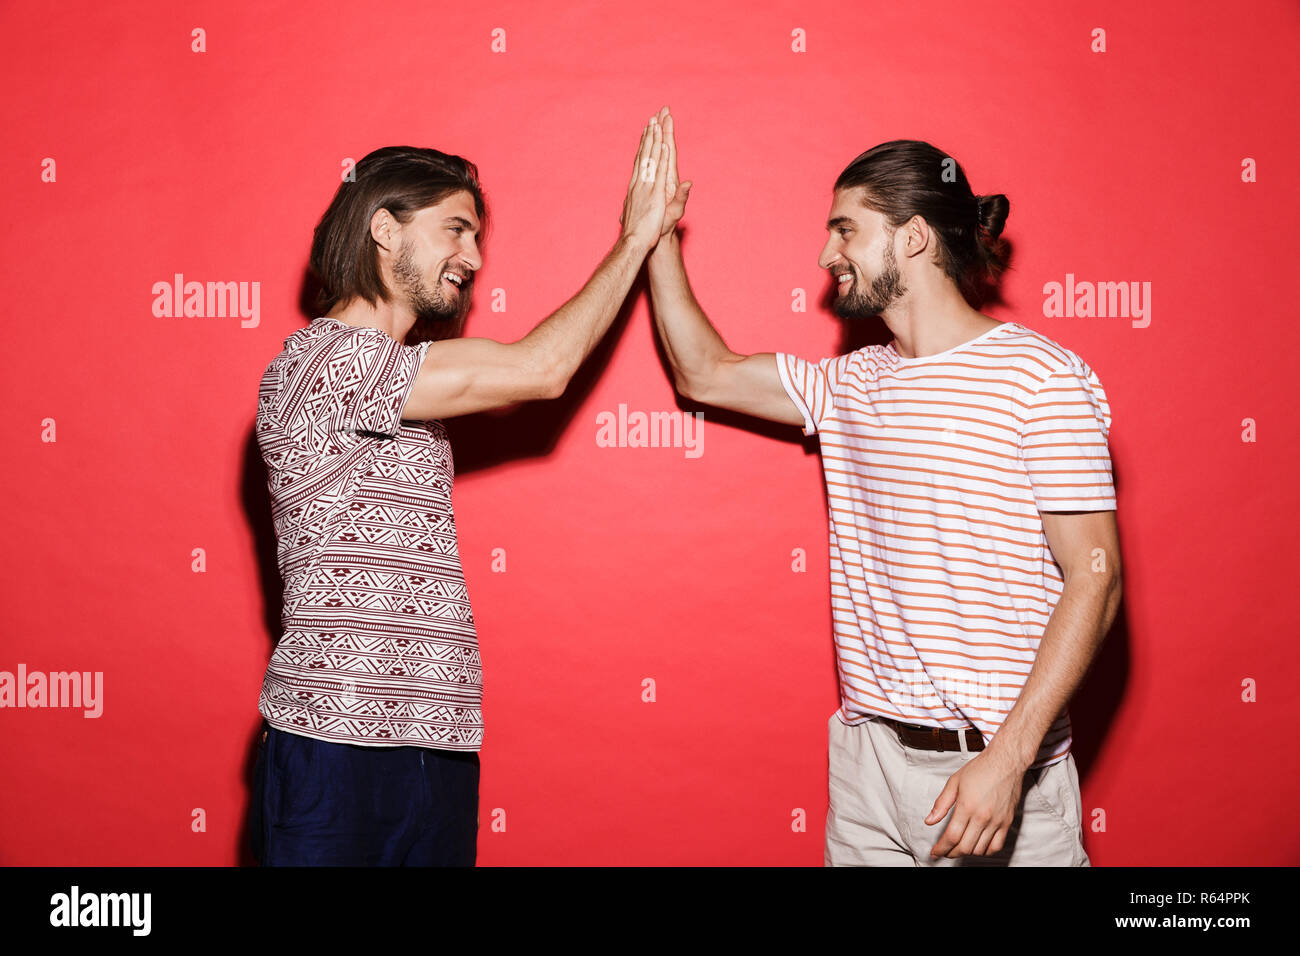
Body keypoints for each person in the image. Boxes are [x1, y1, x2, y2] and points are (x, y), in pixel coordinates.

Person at [645, 118, 1122, 866]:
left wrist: (1007, 761)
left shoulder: (1041, 380)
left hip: (997, 774)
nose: (826, 254)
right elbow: (703, 371)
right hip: (868, 765)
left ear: (914, 237)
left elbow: (1096, 580)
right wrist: (658, 236)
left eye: (845, 230)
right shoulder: (849, 385)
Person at [250, 113, 673, 866]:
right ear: (384, 229)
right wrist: (634, 238)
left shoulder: (406, 379)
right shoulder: (324, 361)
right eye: (455, 229)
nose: (473, 256)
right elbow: (539, 370)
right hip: (335, 740)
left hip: (437, 745)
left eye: (476, 236)